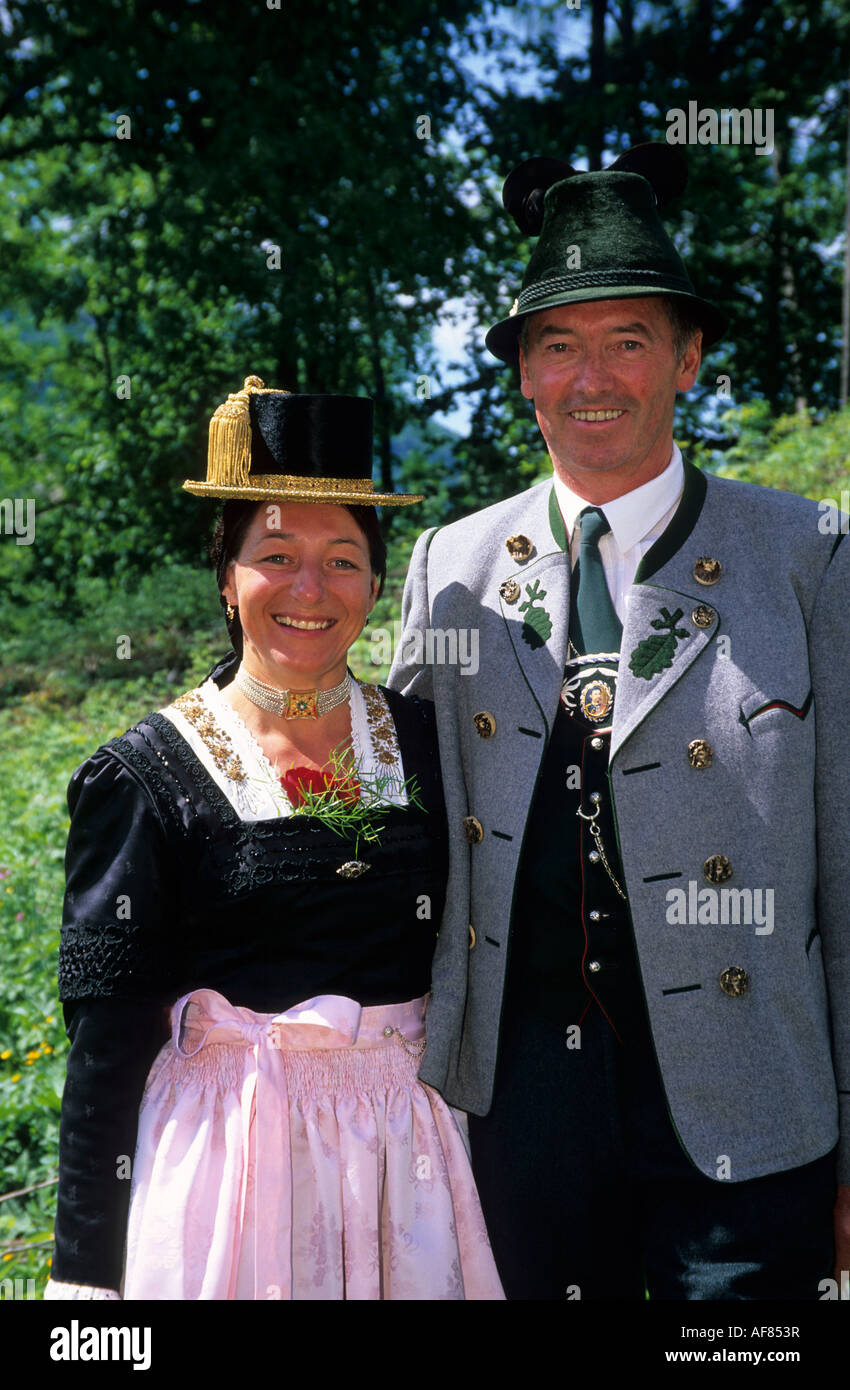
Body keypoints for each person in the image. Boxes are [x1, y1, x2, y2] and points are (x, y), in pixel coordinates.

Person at [388, 143, 850, 1300]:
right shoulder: (451, 565)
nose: (592, 377)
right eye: (558, 345)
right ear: (525, 379)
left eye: (628, 339)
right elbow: (404, 835)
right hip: (520, 1111)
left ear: (688, 359)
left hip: (753, 1100)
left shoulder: (804, 554)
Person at [44, 380, 504, 1301]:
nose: (310, 588)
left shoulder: (425, 740)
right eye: (276, 554)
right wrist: (86, 1281)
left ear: (376, 584)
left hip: (407, 1168)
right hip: (229, 1171)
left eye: (343, 559)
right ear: (226, 577)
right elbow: (107, 1043)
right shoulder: (145, 775)